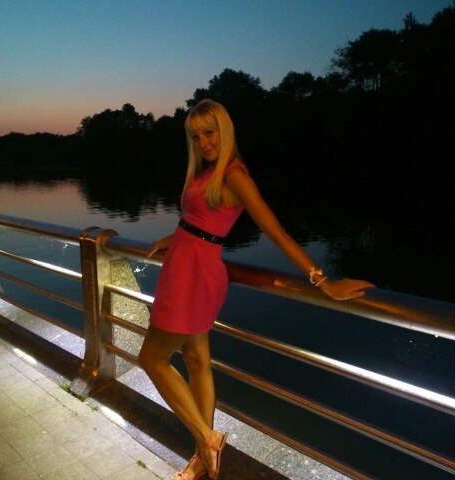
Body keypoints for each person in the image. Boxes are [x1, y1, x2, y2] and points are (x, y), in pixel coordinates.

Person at [138, 98, 375, 480]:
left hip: (193, 277)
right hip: (184, 266)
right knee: (196, 361)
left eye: (209, 133)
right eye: (195, 136)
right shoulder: (207, 171)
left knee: (151, 359)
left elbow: (277, 232)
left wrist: (323, 282)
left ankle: (207, 438)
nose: (203, 142)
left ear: (225, 130)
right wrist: (174, 237)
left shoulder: (235, 176)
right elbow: (198, 220)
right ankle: (202, 460)